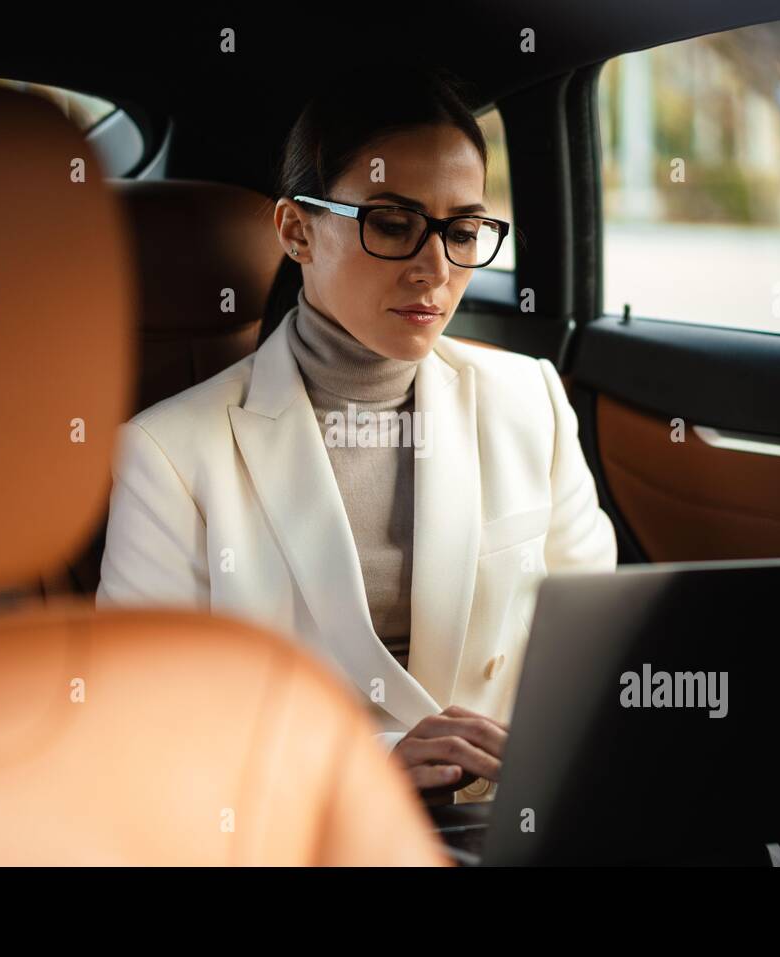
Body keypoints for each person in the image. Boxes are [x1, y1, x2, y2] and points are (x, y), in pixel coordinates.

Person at [96, 68, 617, 803]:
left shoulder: (530, 403)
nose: (433, 268)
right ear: (297, 231)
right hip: (295, 824)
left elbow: (590, 657)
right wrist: (363, 763)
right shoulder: (170, 455)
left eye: (463, 230)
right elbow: (145, 721)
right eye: (393, 224)